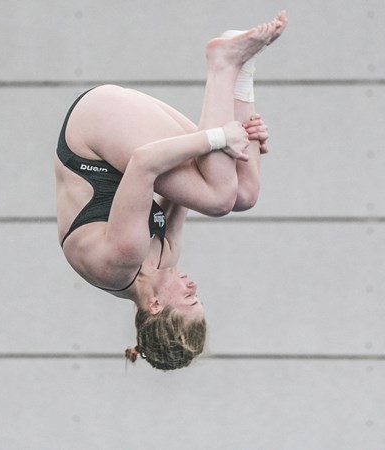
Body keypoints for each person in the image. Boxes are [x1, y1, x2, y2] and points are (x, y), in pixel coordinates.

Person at [54, 11, 288, 370]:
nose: (194, 287)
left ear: (154, 306)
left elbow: (146, 162)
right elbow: (186, 187)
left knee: (219, 196)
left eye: (190, 300)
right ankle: (243, 74)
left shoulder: (121, 259)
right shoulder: (164, 258)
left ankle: (224, 64)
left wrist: (221, 138)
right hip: (121, 143)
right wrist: (240, 145)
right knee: (243, 193)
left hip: (94, 125)